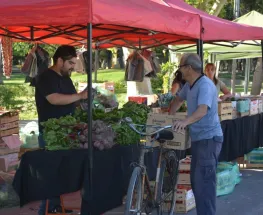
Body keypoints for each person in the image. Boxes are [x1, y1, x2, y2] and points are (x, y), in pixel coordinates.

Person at [35, 45, 88, 215]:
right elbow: (54, 99)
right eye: (70, 63)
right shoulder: (45, 78)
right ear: (59, 61)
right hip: (51, 133)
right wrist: (80, 96)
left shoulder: (66, 78)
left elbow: (70, 100)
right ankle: (45, 210)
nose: (73, 66)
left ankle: (56, 207)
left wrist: (85, 102)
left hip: (67, 131)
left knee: (63, 172)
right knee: (51, 174)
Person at [169, 53, 223, 215]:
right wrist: (167, 116)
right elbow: (178, 100)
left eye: (181, 67)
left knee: (204, 184)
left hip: (209, 139)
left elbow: (202, 110)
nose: (179, 71)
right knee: (197, 182)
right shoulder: (189, 85)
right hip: (200, 139)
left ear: (189, 68)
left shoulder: (205, 85)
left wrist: (185, 122)